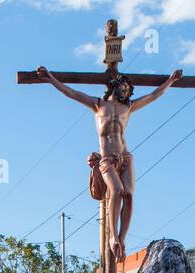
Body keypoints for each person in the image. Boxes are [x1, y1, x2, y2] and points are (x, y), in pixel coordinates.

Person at [34, 64, 183, 259]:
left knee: (128, 195)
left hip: (125, 157)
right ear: (115, 85)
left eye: (129, 89)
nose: (127, 90)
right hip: (107, 158)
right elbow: (70, 92)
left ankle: (122, 237)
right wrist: (49, 77)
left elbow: (154, 95)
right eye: (124, 86)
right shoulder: (97, 105)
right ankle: (113, 236)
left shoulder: (128, 107)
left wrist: (170, 81)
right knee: (117, 191)